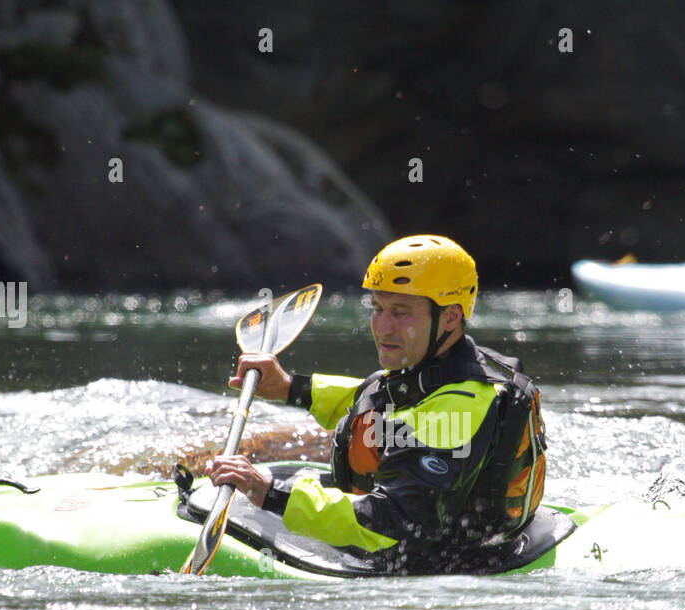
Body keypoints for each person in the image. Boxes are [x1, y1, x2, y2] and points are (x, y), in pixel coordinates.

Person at [202, 235, 547, 569]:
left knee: (271, 487)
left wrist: (272, 495)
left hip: (430, 556)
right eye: (378, 308)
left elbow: (393, 522)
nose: (382, 327)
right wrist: (291, 388)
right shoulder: (441, 369)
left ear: (451, 317)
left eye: (400, 312)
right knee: (279, 476)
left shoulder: (460, 408)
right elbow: (377, 401)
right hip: (419, 524)